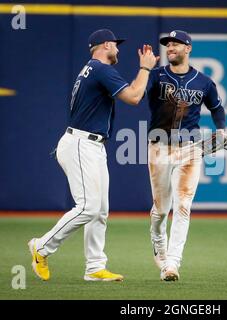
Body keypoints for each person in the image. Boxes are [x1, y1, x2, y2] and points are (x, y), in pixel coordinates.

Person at [28, 29, 159, 282]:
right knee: (88, 207)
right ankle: (41, 247)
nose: (118, 50)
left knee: (99, 210)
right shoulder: (100, 69)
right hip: (81, 142)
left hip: (89, 144)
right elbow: (133, 97)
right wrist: (145, 69)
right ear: (106, 45)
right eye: (116, 45)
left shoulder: (91, 69)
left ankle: (95, 267)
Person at [145, 30, 226, 281]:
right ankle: (158, 244)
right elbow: (138, 95)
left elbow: (217, 107)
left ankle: (172, 264)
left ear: (188, 48)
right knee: (161, 210)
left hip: (190, 148)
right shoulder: (156, 76)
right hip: (158, 146)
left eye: (175, 44)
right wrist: (144, 70)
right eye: (167, 45)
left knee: (183, 206)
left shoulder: (203, 81)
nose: (170, 48)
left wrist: (221, 131)